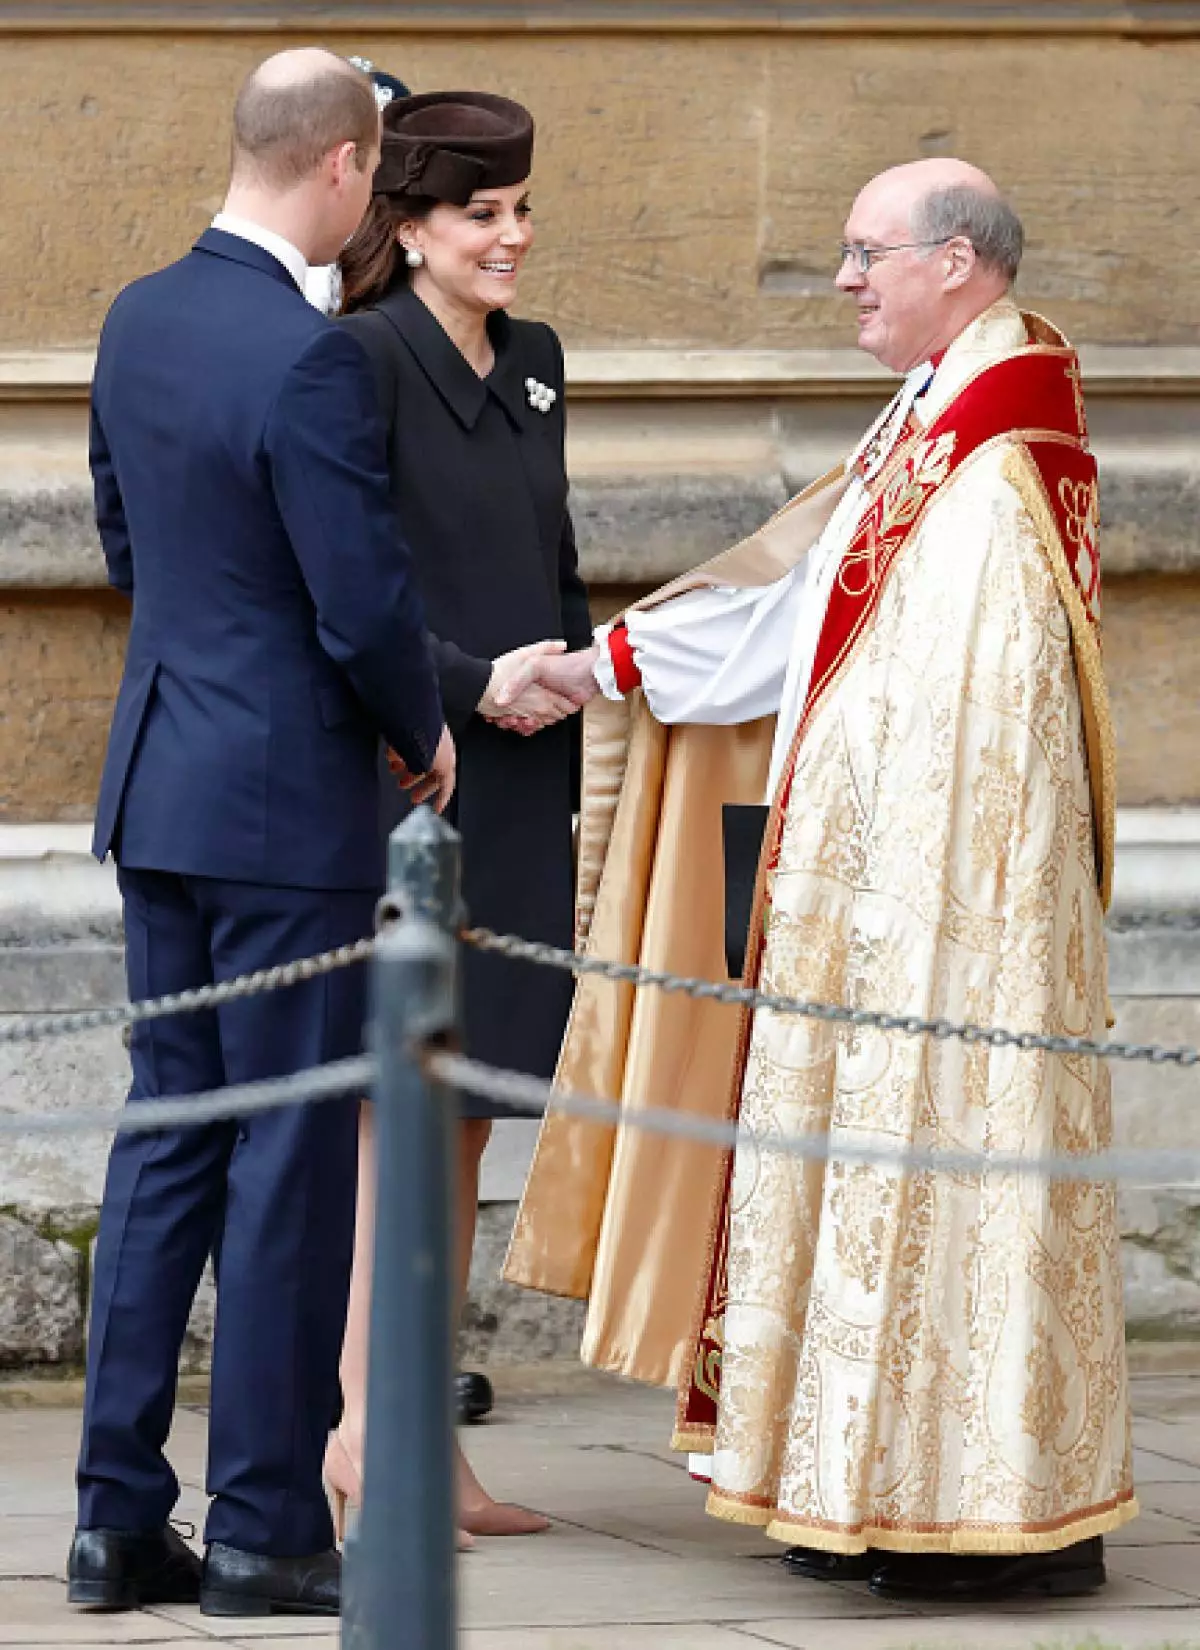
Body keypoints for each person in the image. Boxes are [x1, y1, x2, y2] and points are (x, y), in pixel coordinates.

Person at [506, 159, 1135, 1601]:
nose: (845, 278)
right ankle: (845, 1474)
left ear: (959, 261)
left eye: (868, 253)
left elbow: (978, 712)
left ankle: (973, 1507)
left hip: (940, 919)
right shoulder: (929, 413)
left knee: (943, 1184)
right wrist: (595, 666)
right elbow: (795, 615)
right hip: (848, 893)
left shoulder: (1005, 439)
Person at [68, 50, 452, 1620]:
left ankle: (110, 1519)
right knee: (287, 1154)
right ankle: (265, 1528)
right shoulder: (308, 356)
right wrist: (421, 730)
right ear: (350, 168)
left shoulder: (136, 316)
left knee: (168, 1134)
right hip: (285, 804)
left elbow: (117, 536)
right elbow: (360, 596)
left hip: (160, 781)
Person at [320, 88, 592, 1543]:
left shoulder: (539, 361)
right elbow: (344, 594)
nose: (513, 235)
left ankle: (422, 1434)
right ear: (410, 226)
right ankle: (368, 1437)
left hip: (529, 774)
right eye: (481, 213)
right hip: (416, 773)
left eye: (522, 208)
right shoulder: (356, 362)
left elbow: (552, 554)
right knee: (398, 1124)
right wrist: (478, 683)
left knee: (473, 1115)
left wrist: (585, 664)